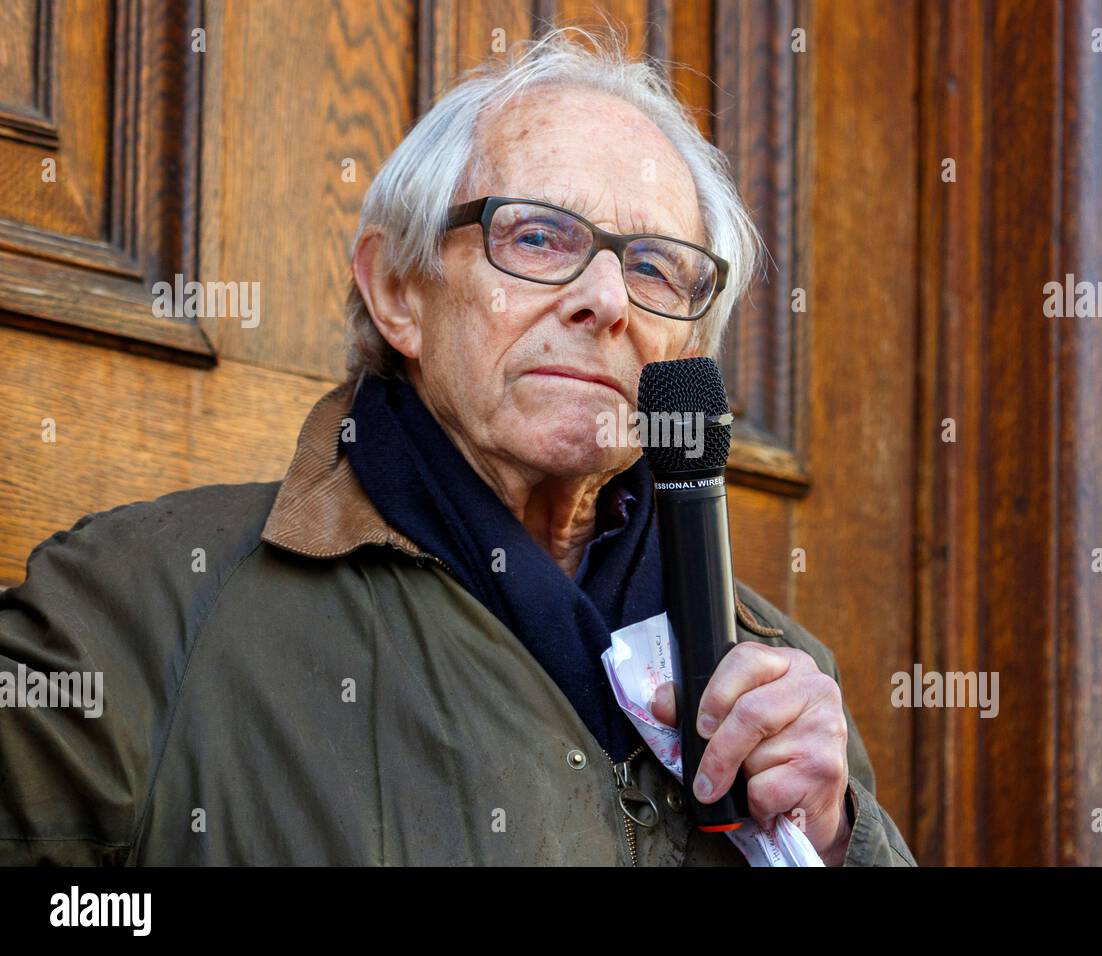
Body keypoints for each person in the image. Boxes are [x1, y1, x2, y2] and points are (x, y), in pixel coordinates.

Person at [0, 27, 914, 867]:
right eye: (539, 236)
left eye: (653, 265)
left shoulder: (777, 673)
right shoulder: (137, 612)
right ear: (399, 291)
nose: (607, 299)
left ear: (687, 347)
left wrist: (833, 843)